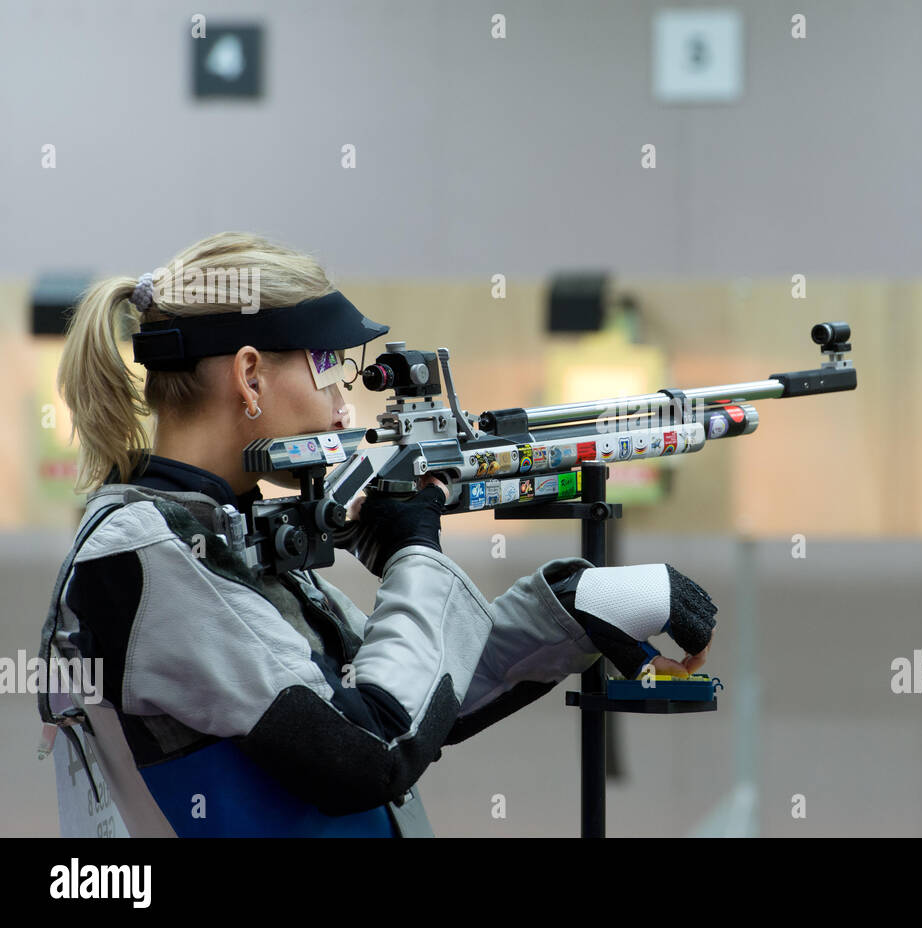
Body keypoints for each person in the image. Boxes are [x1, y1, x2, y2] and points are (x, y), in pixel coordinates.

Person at [36, 232, 716, 837]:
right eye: (328, 365)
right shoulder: (147, 550)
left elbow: (410, 695)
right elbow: (367, 750)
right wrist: (415, 552)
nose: (343, 408)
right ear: (249, 376)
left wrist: (574, 607)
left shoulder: (224, 530)